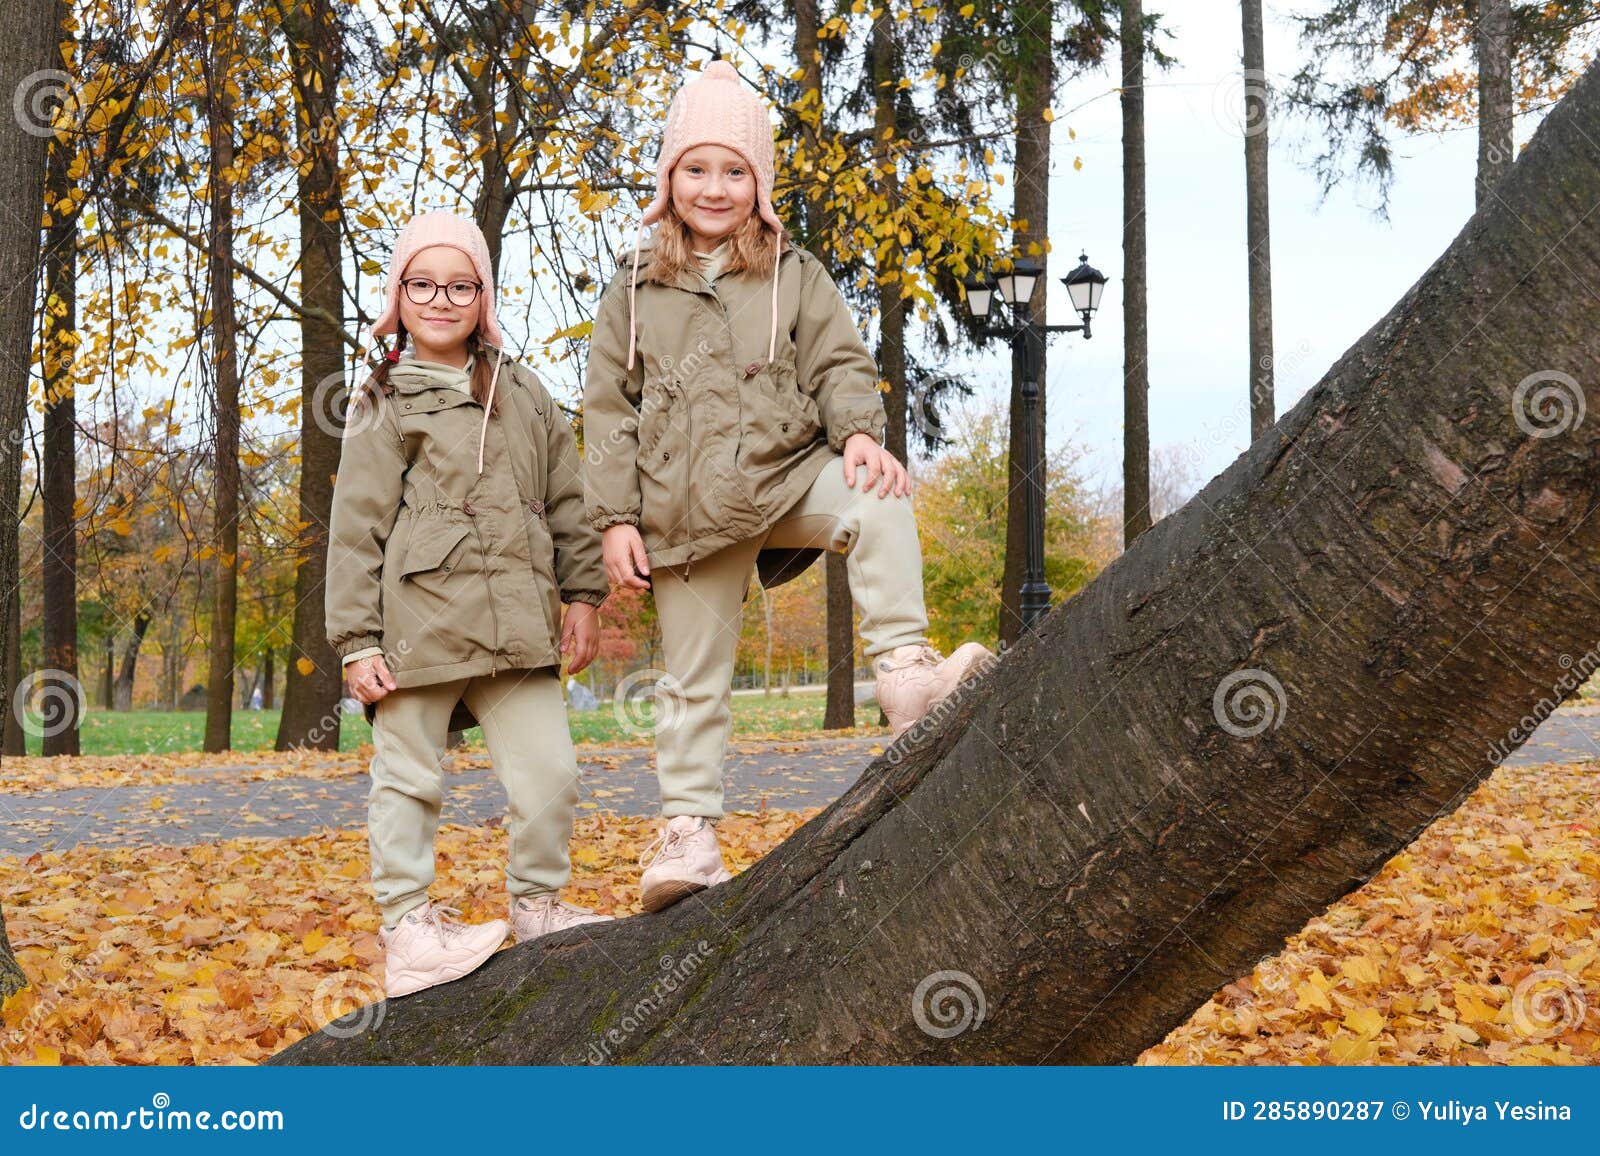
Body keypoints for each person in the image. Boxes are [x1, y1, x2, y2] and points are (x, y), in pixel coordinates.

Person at [582, 62, 996, 915]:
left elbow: (840, 360)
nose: (715, 187)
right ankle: (687, 835)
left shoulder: (793, 272)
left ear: (760, 184)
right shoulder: (633, 287)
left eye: (735, 171)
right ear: (669, 178)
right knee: (692, 681)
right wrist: (615, 518)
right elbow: (607, 410)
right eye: (696, 168)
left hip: (779, 478)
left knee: (875, 497)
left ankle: (906, 674)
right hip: (685, 511)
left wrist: (856, 433)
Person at [326, 211, 614, 997]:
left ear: (482, 295)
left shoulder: (523, 392)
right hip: (417, 626)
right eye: (423, 284)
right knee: (408, 778)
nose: (441, 300)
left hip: (518, 623)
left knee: (551, 772)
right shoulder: (382, 399)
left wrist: (583, 594)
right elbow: (355, 531)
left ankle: (538, 904)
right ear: (399, 295)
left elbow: (568, 499)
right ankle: (409, 929)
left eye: (460, 285)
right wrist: (357, 641)